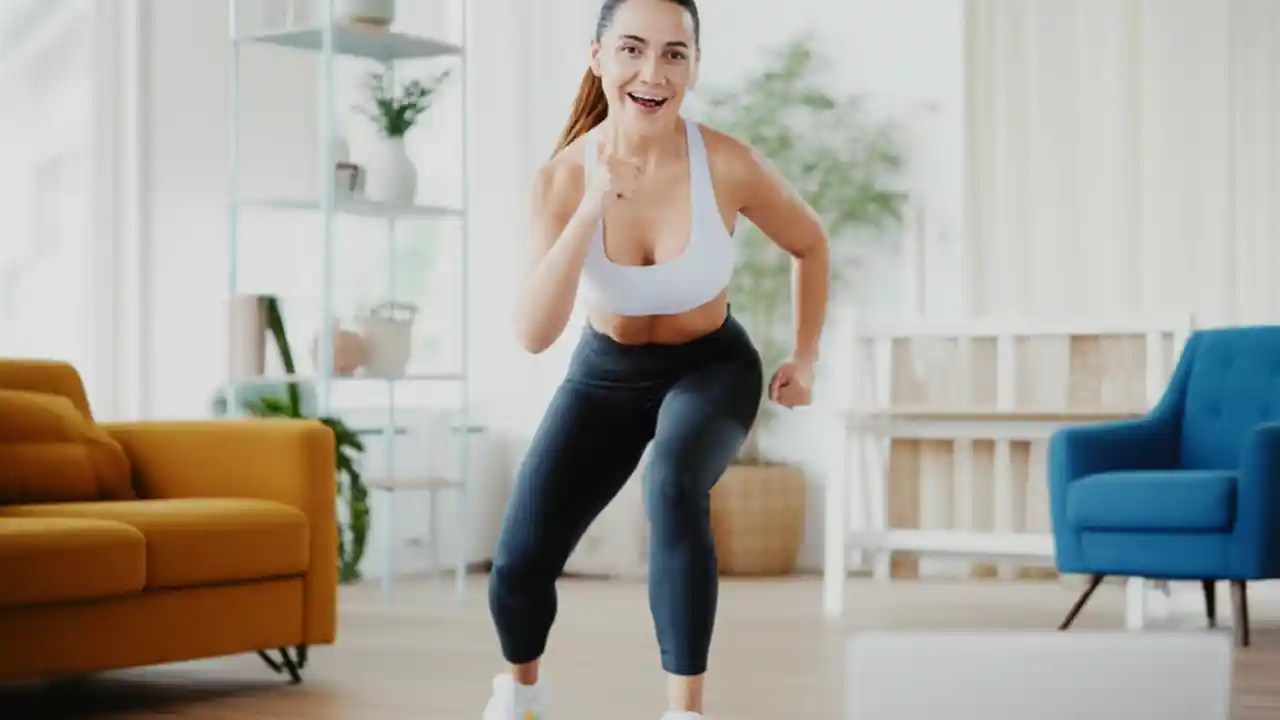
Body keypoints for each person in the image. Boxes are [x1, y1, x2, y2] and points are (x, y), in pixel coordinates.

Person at [482, 0, 830, 718]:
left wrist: (807, 356)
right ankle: (522, 694)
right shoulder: (558, 181)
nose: (653, 72)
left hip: (711, 368)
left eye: (675, 53)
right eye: (633, 50)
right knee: (518, 564)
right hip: (601, 376)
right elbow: (533, 334)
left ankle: (684, 711)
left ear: (694, 65)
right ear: (598, 58)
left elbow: (810, 243)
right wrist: (590, 208)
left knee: (673, 485)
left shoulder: (727, 162)